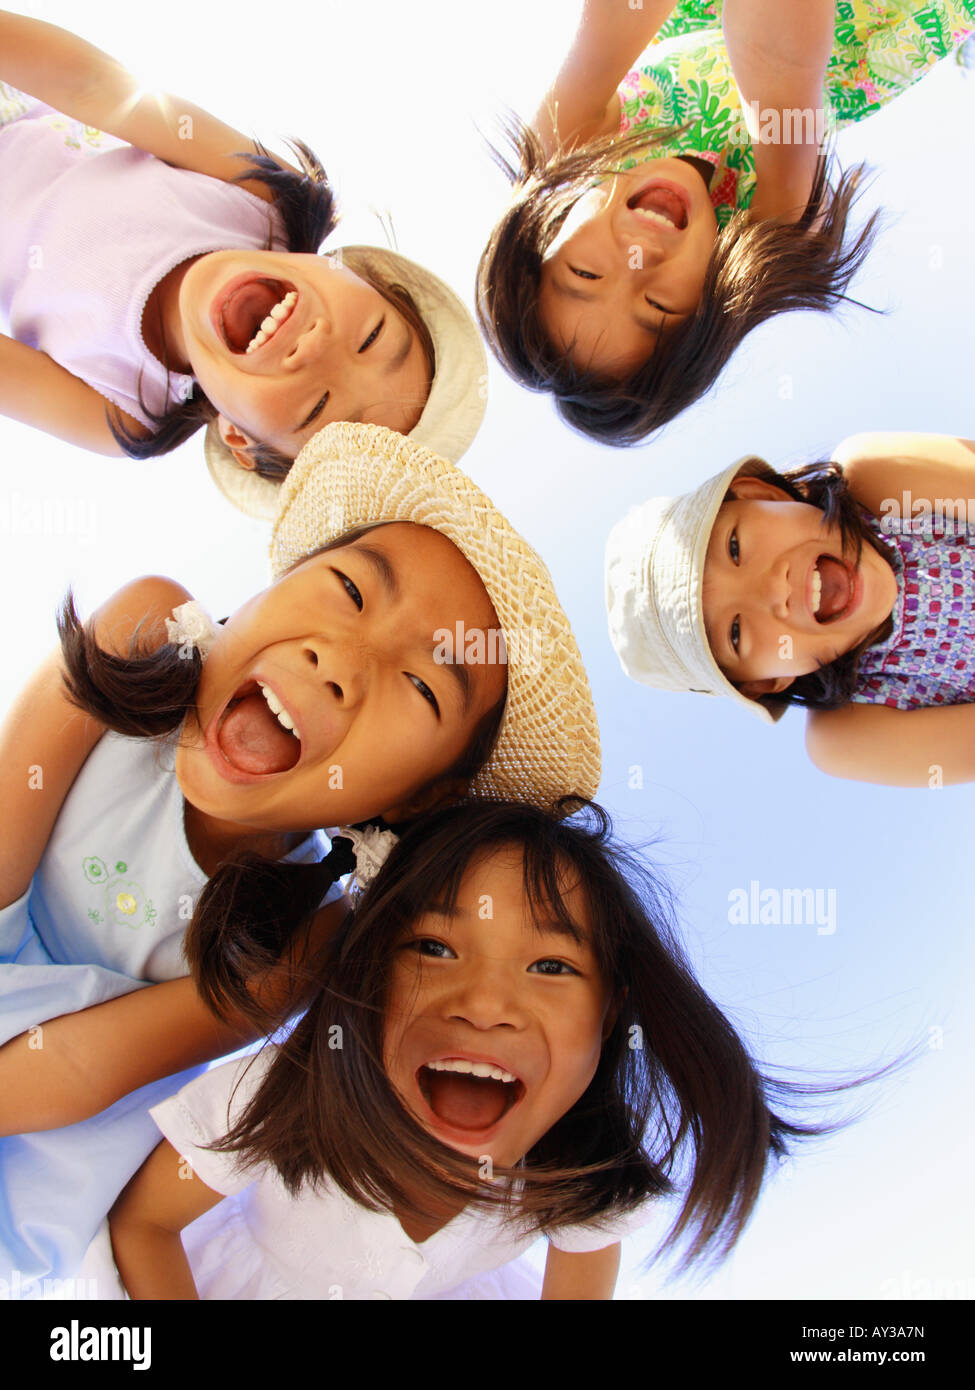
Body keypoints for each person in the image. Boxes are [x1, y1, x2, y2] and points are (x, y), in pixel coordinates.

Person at [0, 419, 600, 1292]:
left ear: (414, 802)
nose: (339, 662)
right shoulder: (142, 626)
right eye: (349, 592)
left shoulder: (318, 930)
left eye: (423, 685)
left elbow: (88, 1066)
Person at [109, 798, 818, 1300]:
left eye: (550, 966)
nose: (482, 1006)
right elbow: (143, 1224)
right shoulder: (284, 1087)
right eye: (433, 948)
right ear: (366, 975)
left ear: (609, 1016)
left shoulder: (581, 1173)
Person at [0, 11, 486, 518]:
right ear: (365, 278)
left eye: (315, 408)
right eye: (370, 336)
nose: (315, 345)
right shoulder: (265, 201)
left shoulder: (124, 411)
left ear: (239, 438)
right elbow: (95, 87)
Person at [476, 0, 974, 444]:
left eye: (585, 273)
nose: (639, 260)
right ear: (710, 310)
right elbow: (780, 75)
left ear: (548, 231)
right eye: (658, 302)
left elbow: (614, 20)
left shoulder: (567, 144)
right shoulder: (771, 224)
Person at [605, 431, 975, 785]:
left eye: (735, 548)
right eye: (735, 633)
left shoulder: (873, 474)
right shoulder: (845, 735)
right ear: (765, 682)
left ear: (760, 494)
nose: (773, 589)